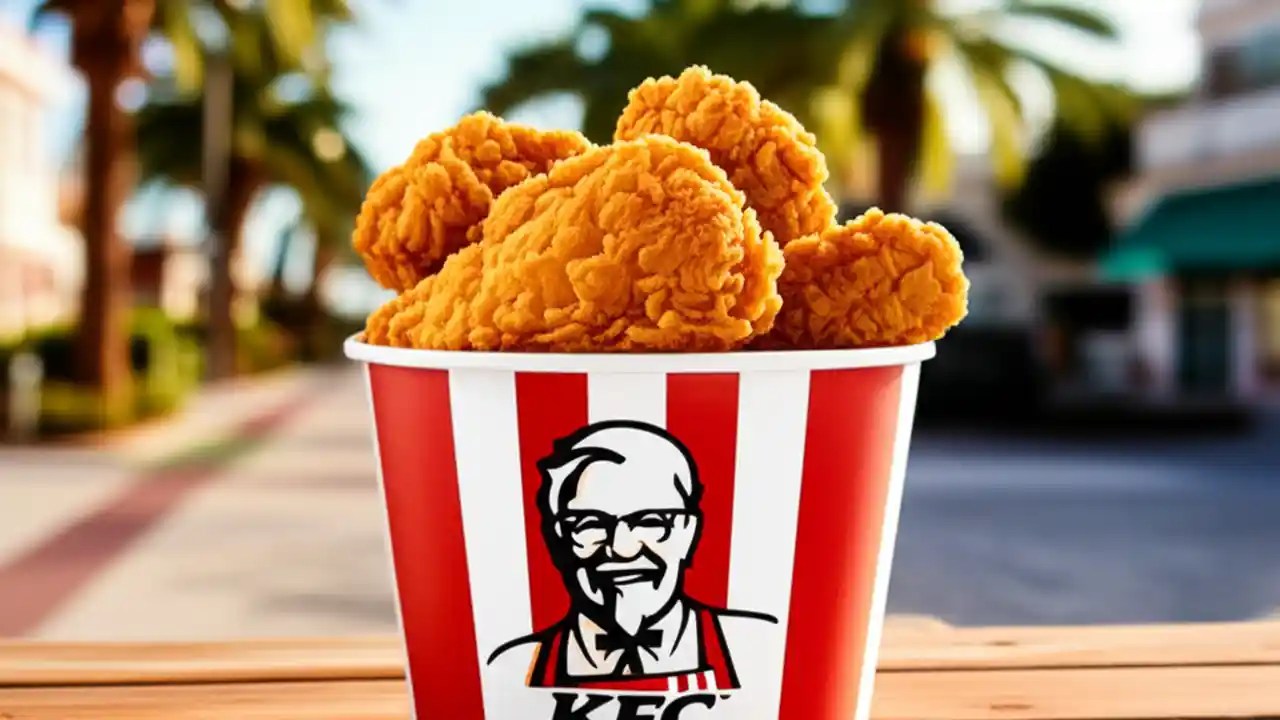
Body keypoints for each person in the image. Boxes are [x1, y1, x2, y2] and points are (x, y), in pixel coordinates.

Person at [489, 420, 775, 692]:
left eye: (651, 521)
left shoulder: (757, 648)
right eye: (589, 524)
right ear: (559, 539)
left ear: (688, 532)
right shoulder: (516, 665)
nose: (623, 548)